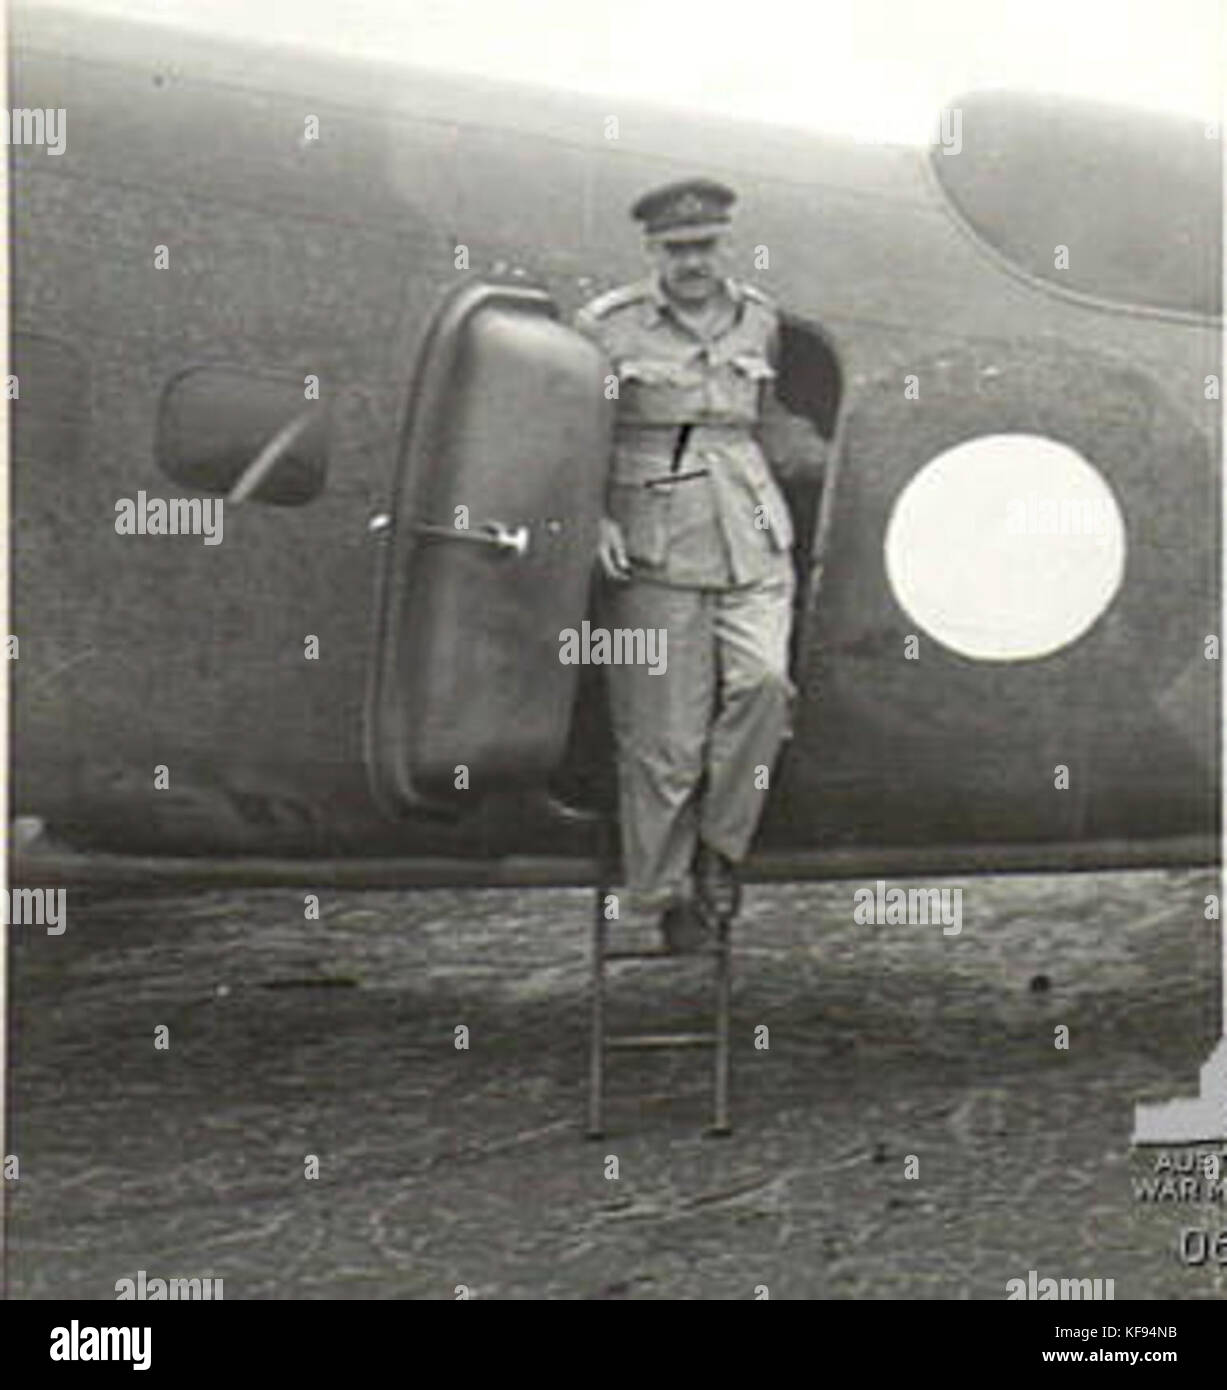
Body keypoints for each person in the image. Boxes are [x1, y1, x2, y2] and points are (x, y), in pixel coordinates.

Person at [574, 177, 827, 952]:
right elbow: (570, 431)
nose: (692, 262)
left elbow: (767, 420)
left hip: (750, 525)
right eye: (676, 249)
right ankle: (663, 889)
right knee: (665, 742)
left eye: (705, 246)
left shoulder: (759, 318)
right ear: (651, 251)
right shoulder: (606, 327)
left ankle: (721, 853)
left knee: (764, 685)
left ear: (726, 243)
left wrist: (835, 464)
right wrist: (591, 518)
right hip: (654, 539)